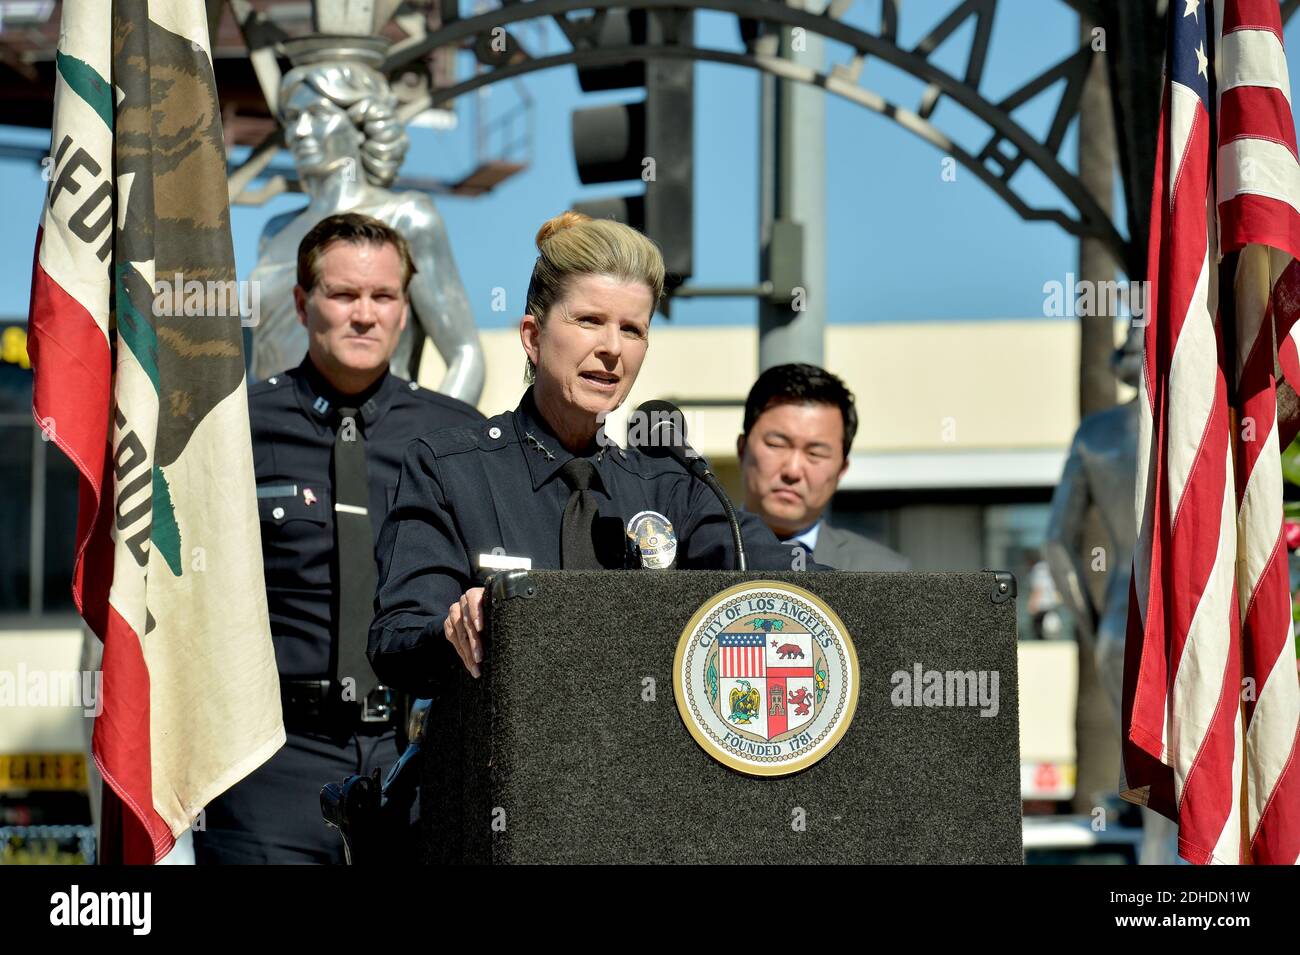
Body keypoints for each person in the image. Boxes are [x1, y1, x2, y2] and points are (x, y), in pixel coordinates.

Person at [369, 211, 807, 690]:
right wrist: (454, 629)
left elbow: (786, 578)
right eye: (590, 321)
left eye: (633, 329)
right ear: (533, 338)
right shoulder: (450, 469)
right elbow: (397, 641)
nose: (612, 348)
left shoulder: (671, 484)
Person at [193, 213, 484, 864]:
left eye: (382, 297)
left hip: (418, 759)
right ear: (301, 304)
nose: (364, 315)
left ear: (405, 310)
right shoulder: (233, 428)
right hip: (267, 764)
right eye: (343, 295)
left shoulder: (458, 440)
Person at [737, 363, 909, 571]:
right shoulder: (691, 558)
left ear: (841, 470)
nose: (792, 470)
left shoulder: (884, 574)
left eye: (815, 453)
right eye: (777, 444)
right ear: (742, 449)